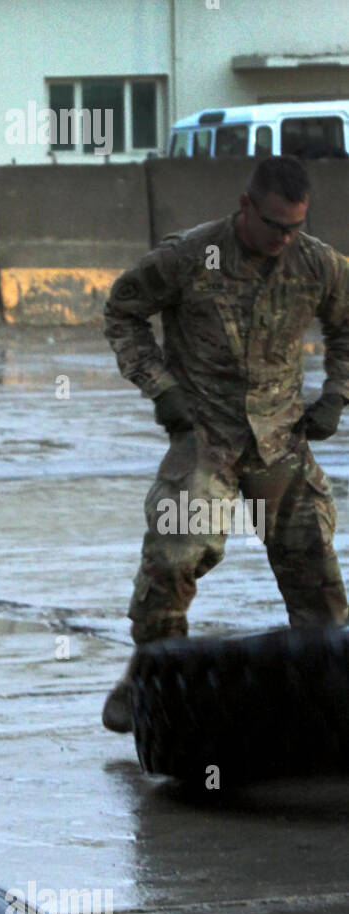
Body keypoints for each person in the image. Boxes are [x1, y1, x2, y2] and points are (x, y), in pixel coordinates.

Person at [101, 154, 349, 732]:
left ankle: (326, 703)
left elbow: (347, 325)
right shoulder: (192, 255)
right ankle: (148, 677)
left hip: (279, 439)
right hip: (206, 437)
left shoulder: (316, 265)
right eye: (275, 226)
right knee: (175, 554)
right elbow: (123, 310)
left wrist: (337, 393)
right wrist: (162, 389)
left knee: (314, 568)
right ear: (246, 207)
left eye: (296, 226)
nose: (285, 238)